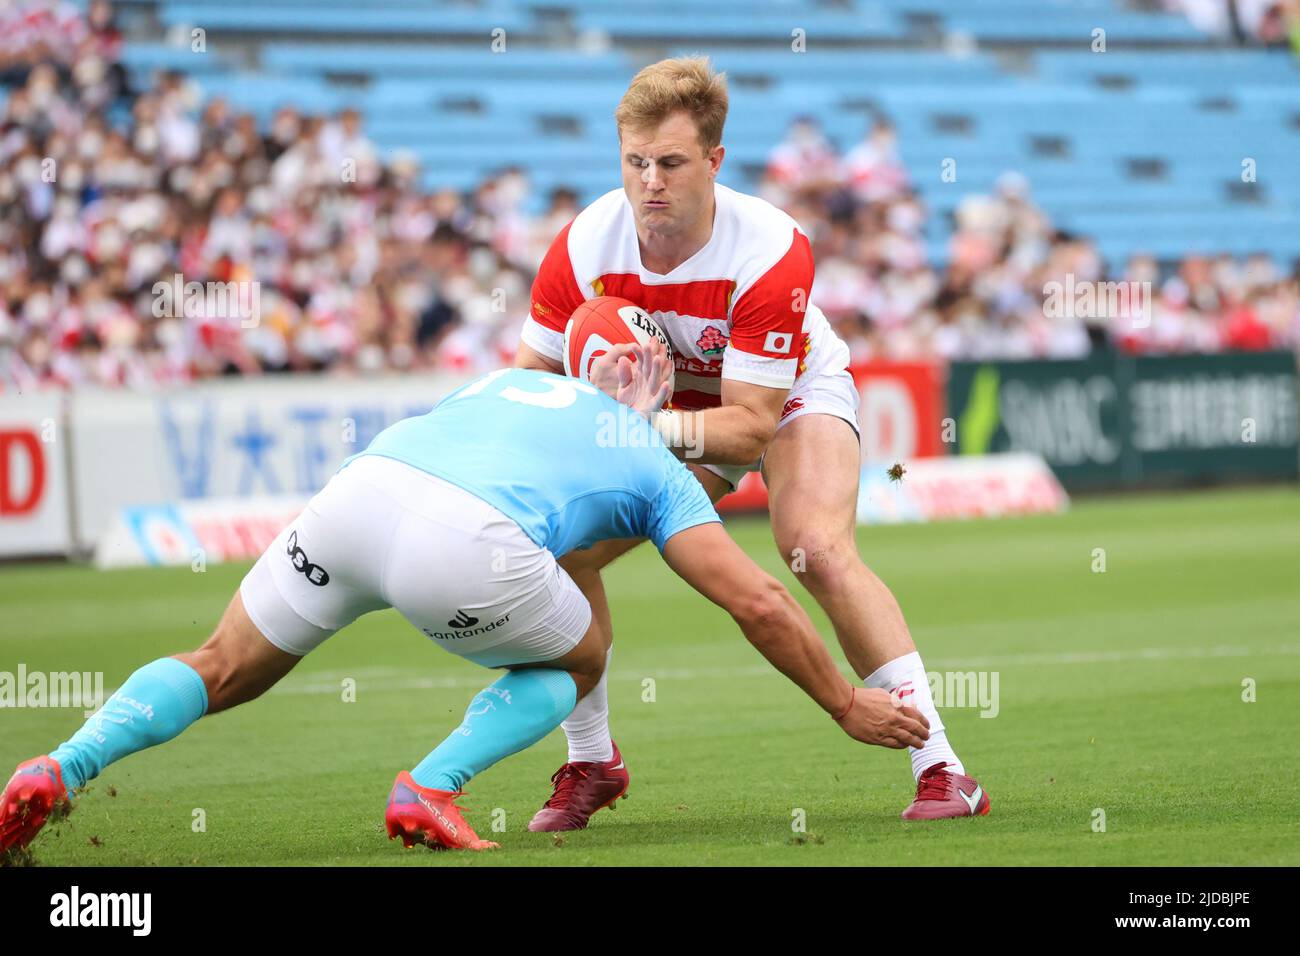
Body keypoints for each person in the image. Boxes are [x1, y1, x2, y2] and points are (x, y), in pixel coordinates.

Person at [0, 342, 931, 858]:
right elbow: (760, 601)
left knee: (222, 663)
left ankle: (60, 765)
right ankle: (431, 787)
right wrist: (846, 704)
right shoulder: (653, 455)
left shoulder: (503, 379)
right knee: (577, 658)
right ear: (651, 381)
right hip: (463, 541)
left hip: (360, 493)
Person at [515, 56, 989, 830]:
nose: (650, 182)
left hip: (787, 393)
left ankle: (941, 766)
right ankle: (592, 761)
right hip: (671, 412)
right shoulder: (580, 247)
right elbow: (529, 378)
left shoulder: (769, 245)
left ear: (714, 161)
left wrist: (635, 424)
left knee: (815, 550)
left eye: (670, 162)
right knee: (562, 555)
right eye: (635, 162)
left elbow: (750, 427)